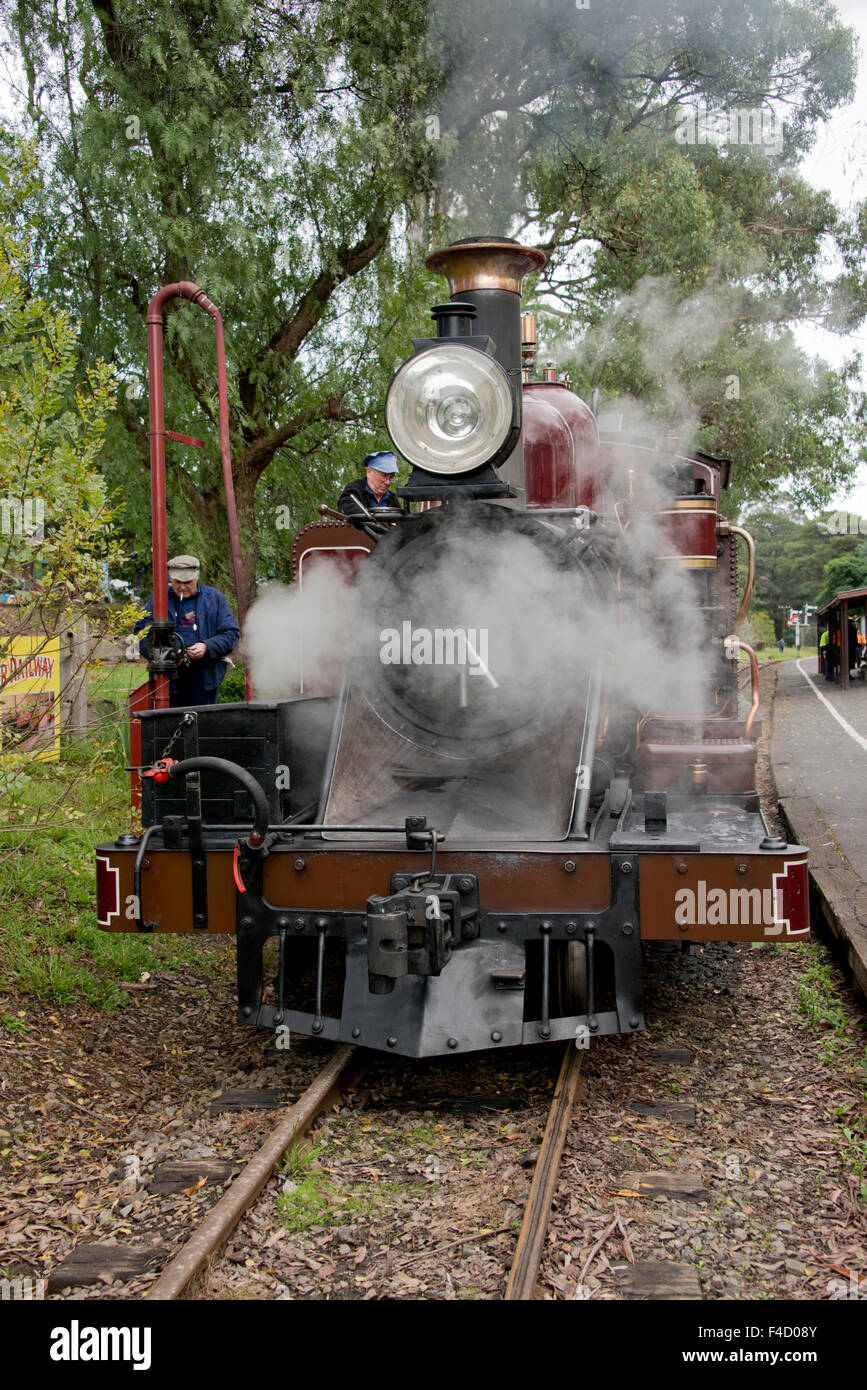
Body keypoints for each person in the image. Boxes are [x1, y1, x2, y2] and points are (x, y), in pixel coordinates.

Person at [136, 555, 240, 706]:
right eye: (177, 582)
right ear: (171, 579)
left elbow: (231, 634)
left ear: (196, 577)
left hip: (204, 681)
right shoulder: (158, 599)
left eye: (187, 582)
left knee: (202, 726)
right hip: (167, 682)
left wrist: (206, 646)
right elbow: (140, 634)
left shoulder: (214, 598)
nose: (183, 587)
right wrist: (163, 654)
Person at [338, 451, 402, 520]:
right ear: (368, 472)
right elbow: (345, 509)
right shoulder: (354, 490)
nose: (387, 482)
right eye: (384, 476)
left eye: (391, 477)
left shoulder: (392, 499)